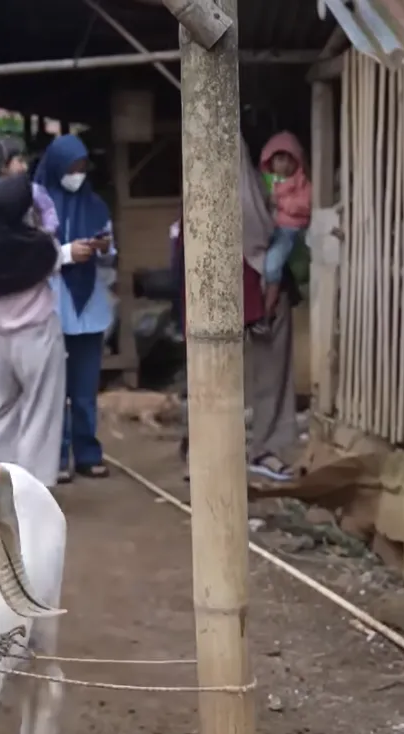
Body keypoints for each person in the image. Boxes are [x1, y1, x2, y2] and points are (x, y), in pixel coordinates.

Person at [174, 138, 298, 482]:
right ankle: (204, 452)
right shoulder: (199, 198)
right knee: (210, 373)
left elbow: (269, 232)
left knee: (266, 368)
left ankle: (266, 449)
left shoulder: (256, 186)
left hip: (262, 288)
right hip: (220, 291)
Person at [0, 171, 75, 489]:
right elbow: (58, 255)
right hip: (38, 336)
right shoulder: (41, 247)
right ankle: (32, 489)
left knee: (1, 411)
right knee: (40, 412)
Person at [32, 134, 114, 484]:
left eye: (82, 168)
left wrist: (102, 248)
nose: (77, 174)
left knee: (84, 390)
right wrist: (65, 253)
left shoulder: (96, 205)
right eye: (71, 167)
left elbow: (112, 254)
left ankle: (87, 453)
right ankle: (57, 455)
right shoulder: (35, 205)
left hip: (88, 309)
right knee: (54, 390)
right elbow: (27, 252)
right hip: (49, 307)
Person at [253, 131, 312, 335]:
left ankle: (267, 315)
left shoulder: (301, 182)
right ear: (270, 160)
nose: (284, 164)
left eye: (289, 159)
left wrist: (281, 202)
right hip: (268, 228)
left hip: (289, 230)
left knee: (272, 265)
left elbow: (305, 205)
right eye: (279, 159)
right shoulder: (265, 182)